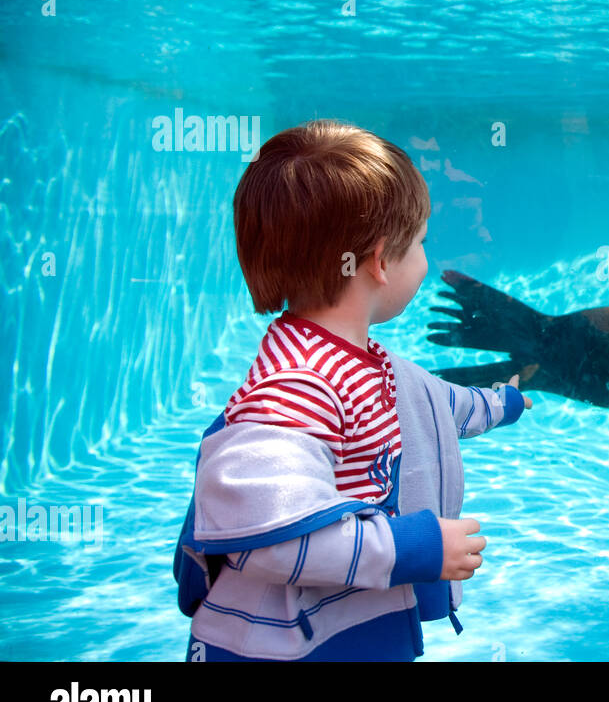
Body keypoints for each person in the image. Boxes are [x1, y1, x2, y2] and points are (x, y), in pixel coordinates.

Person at [177, 119, 530, 661]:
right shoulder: (296, 386)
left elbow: (438, 406)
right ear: (380, 261)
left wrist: (502, 404)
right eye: (421, 243)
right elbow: (270, 537)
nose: (426, 259)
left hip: (343, 632)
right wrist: (418, 547)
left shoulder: (361, 362)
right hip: (279, 647)